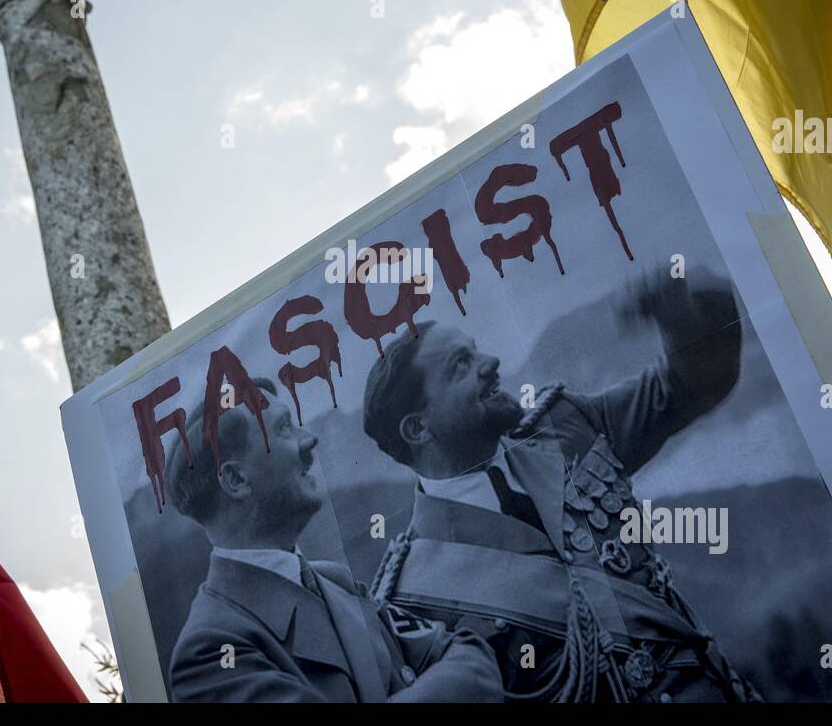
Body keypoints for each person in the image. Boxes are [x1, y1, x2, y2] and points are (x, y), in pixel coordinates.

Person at [365, 267, 761, 702]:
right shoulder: (414, 592)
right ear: (418, 429)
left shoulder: (567, 427)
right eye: (461, 366)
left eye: (475, 351)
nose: (491, 364)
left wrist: (681, 314)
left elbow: (694, 386)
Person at [165, 377, 502, 702]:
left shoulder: (332, 581)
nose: (309, 439)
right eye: (284, 429)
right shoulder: (211, 652)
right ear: (237, 478)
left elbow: (474, 659)